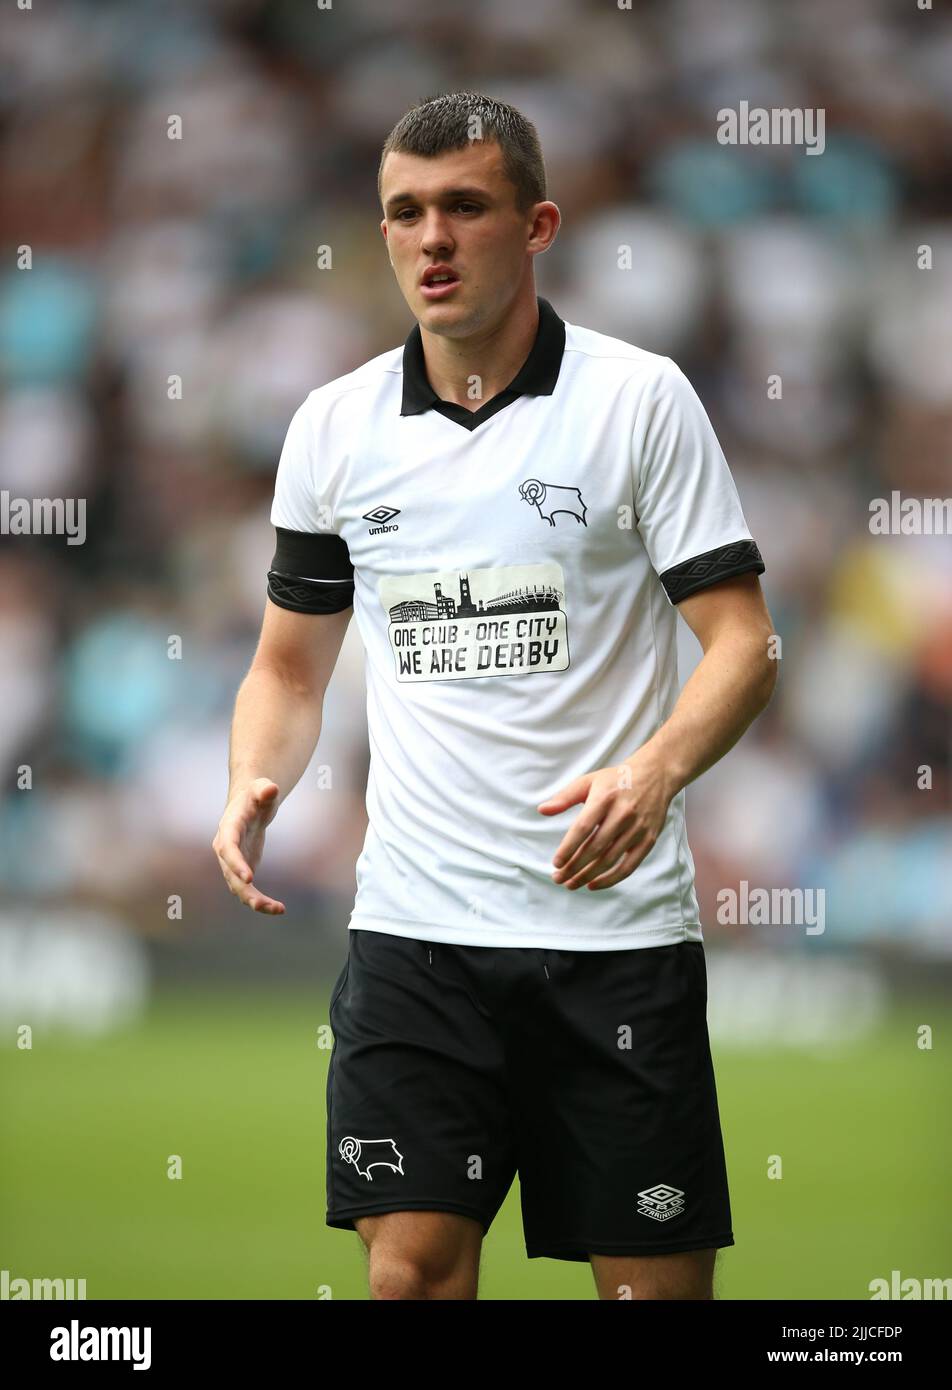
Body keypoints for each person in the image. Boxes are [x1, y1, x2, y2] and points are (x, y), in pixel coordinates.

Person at [212, 91, 777, 1301]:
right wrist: (253, 774)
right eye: (403, 213)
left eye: (464, 206)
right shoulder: (332, 427)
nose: (431, 238)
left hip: (612, 941)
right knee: (408, 1275)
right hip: (417, 936)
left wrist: (656, 768)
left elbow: (742, 645)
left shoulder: (637, 400)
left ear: (537, 225)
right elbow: (286, 665)